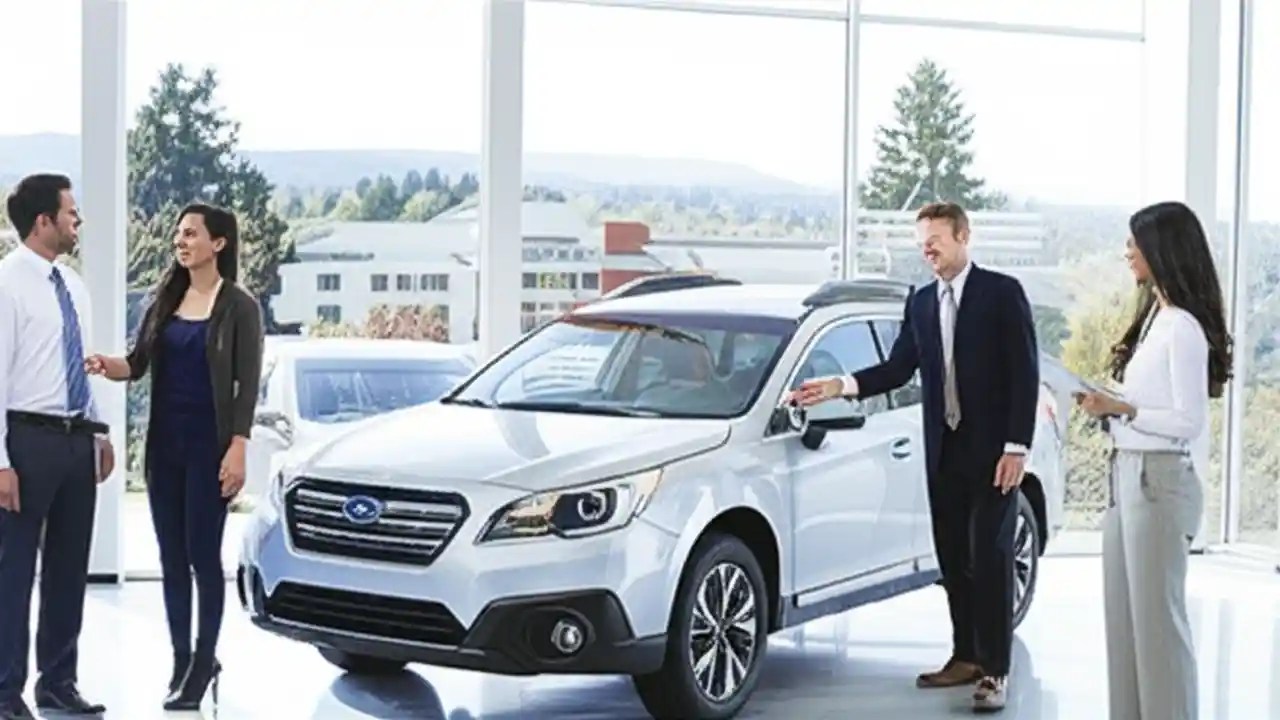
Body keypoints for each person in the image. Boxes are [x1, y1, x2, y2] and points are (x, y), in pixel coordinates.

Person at [791, 201, 1039, 713]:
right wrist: (841, 385)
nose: (927, 250)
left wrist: (1017, 447)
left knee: (990, 561)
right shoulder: (921, 302)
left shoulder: (1001, 293)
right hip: (943, 453)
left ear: (963, 237)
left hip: (995, 455)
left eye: (936, 241)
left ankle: (995, 672)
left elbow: (1025, 373)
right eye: (921, 242)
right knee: (954, 560)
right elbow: (898, 368)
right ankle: (966, 655)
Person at [85, 203, 263, 711]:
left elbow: (246, 384)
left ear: (219, 243)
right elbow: (137, 364)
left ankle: (205, 661)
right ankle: (182, 659)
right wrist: (104, 364)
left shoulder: (239, 307)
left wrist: (238, 447)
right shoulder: (166, 298)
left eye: (190, 234)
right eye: (178, 234)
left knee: (204, 558)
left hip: (211, 446)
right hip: (164, 446)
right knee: (170, 560)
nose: (180, 241)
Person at [1075, 201, 1228, 720]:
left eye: (1135, 243)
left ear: (1163, 249)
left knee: (1159, 633)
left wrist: (1124, 406)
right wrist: (1109, 403)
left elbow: (1188, 422)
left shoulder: (1183, 327)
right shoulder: (1154, 320)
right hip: (1126, 476)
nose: (1127, 252)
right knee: (1125, 629)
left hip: (1159, 482)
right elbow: (1145, 406)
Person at [0, 174, 113, 719]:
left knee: (69, 569)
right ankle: (4, 691)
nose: (77, 220)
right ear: (42, 221)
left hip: (74, 441)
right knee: (12, 571)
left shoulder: (74, 286)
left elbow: (85, 364)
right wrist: (0, 463)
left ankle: (58, 683)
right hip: (25, 442)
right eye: (71, 212)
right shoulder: (6, 283)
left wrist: (101, 431)